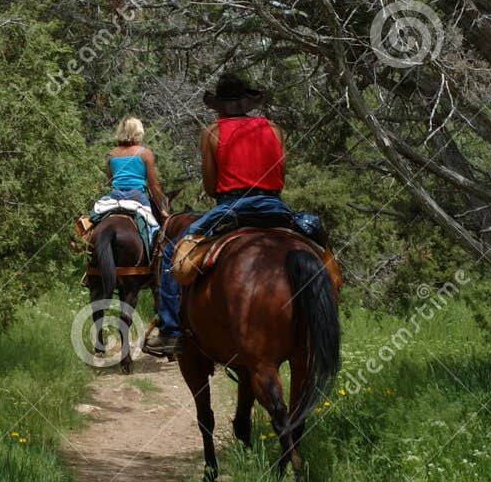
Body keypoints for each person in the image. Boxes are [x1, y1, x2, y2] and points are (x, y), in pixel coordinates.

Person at [144, 73, 322, 358]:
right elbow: (281, 175)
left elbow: (211, 185)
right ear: (247, 103)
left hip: (231, 206)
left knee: (171, 253)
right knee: (318, 240)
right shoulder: (273, 129)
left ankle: (171, 331)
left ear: (219, 106)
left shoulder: (212, 132)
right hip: (273, 205)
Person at [90, 117, 168, 255]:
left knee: (91, 224)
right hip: (137, 197)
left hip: (114, 196)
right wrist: (161, 209)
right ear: (138, 132)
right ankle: (154, 257)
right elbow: (153, 185)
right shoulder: (145, 154)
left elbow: (110, 178)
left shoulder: (111, 155)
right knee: (155, 229)